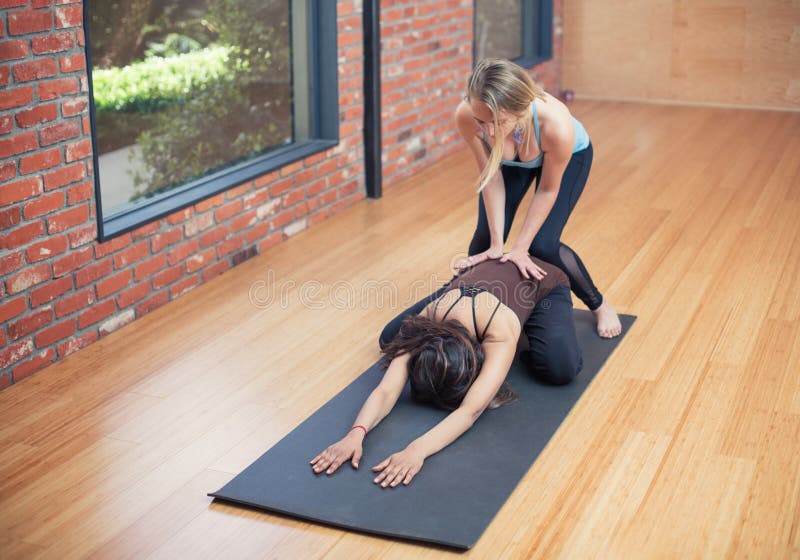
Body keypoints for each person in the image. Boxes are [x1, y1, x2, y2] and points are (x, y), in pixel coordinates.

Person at [309, 257, 582, 489]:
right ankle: (452, 286)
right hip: (473, 281)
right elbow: (386, 390)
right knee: (390, 339)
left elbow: (470, 411)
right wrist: (355, 434)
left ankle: (535, 317)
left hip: (541, 279)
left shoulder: (500, 334)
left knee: (560, 368)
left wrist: (418, 450)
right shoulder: (425, 324)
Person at [453, 58, 622, 338]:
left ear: (519, 110)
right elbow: (491, 178)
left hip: (566, 156)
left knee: (543, 245)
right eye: (482, 121)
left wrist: (519, 248)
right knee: (483, 241)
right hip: (511, 163)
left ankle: (600, 305)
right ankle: (466, 310)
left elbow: (547, 190)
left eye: (499, 122)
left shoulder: (557, 125)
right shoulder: (465, 116)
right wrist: (498, 245)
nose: (490, 132)